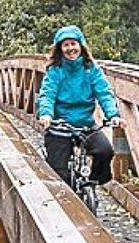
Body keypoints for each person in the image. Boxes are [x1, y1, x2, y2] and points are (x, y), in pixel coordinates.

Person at [36, 25, 123, 184]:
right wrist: (46, 114)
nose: (70, 48)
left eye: (73, 44)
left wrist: (113, 115)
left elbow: (104, 93)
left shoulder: (92, 70)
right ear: (60, 49)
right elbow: (47, 94)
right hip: (60, 124)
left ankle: (92, 182)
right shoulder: (56, 71)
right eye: (66, 45)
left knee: (105, 152)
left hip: (85, 124)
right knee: (59, 174)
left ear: (81, 46)